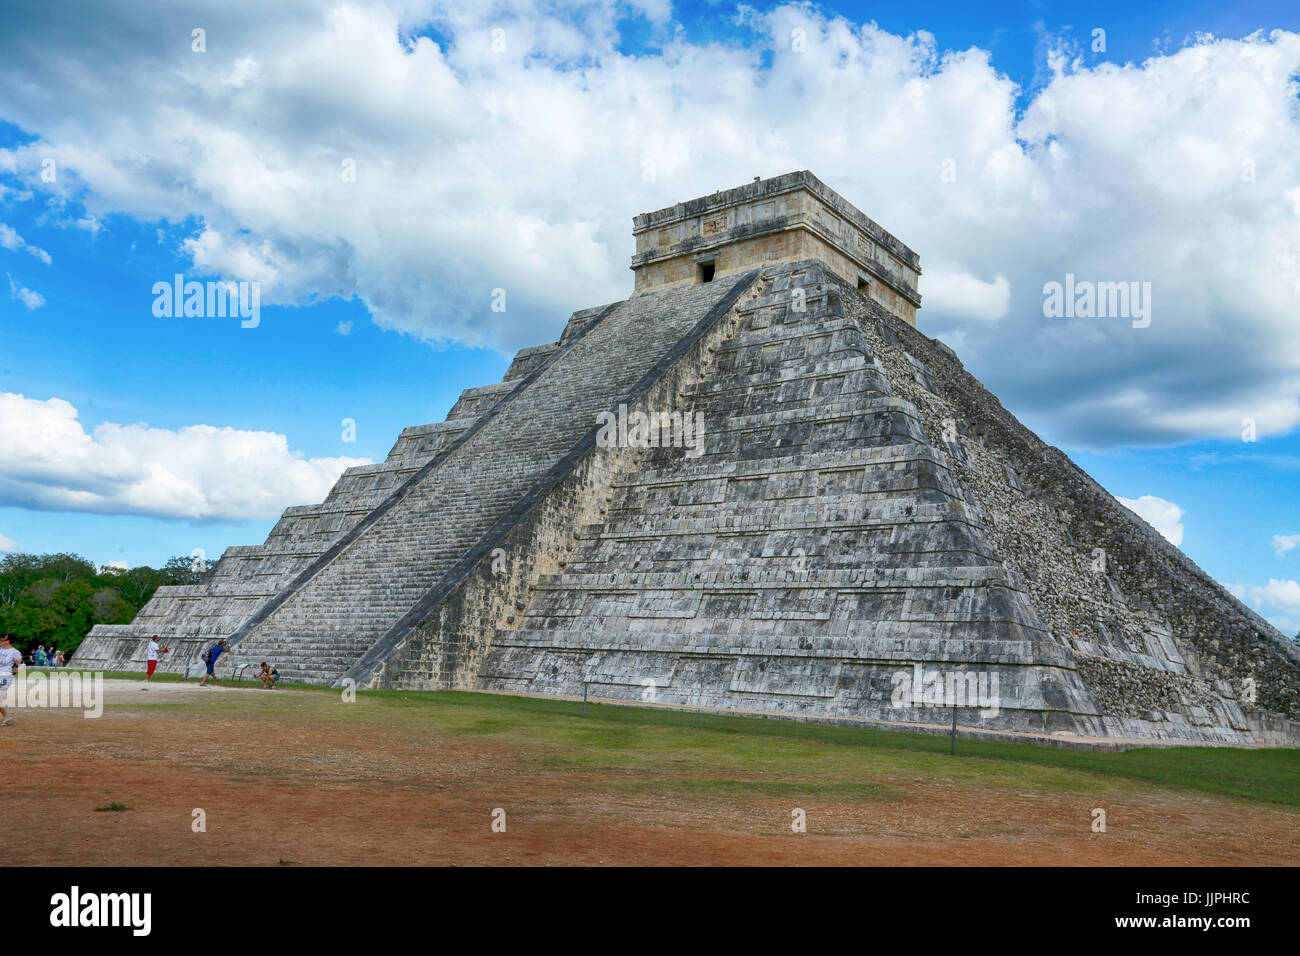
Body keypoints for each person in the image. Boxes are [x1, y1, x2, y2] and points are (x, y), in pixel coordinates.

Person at [0, 634, 23, 727]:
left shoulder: (15, 652)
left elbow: (22, 664)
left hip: (6, 677)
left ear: (7, 641)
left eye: (2, 639)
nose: (0, 641)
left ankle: (6, 716)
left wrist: (16, 670)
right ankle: (7, 717)